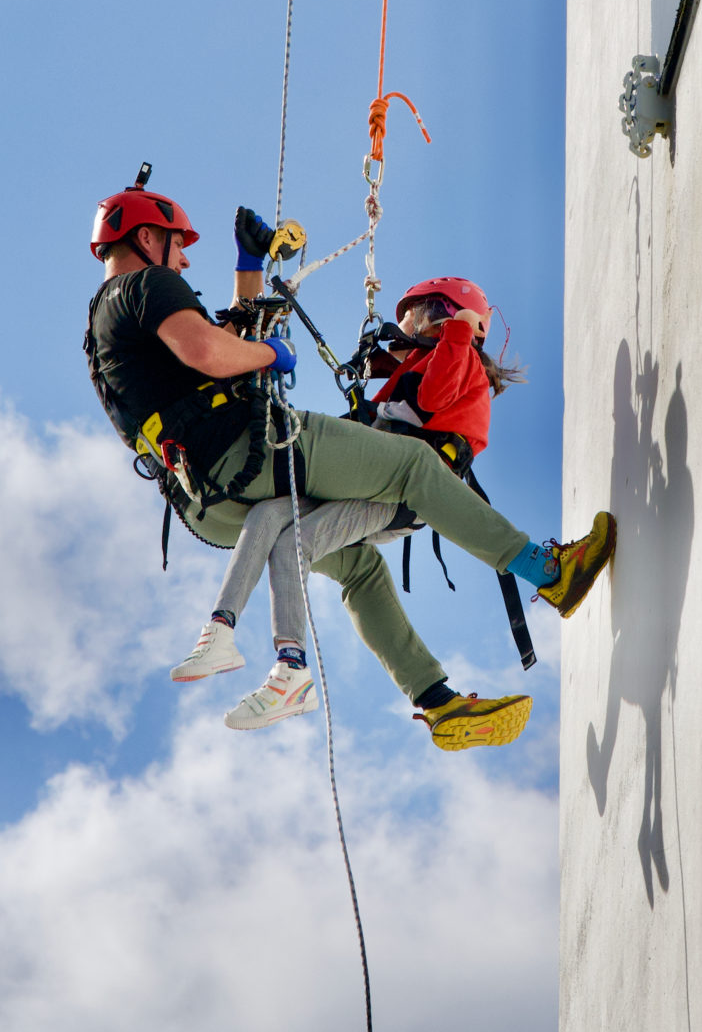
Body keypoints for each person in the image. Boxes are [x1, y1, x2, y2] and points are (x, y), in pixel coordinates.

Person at [84, 177, 616, 751]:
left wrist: (249, 266)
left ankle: (435, 702)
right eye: (177, 243)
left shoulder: (105, 327)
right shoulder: (150, 284)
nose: (185, 258)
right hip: (246, 451)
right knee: (413, 464)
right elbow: (217, 352)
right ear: (145, 237)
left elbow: (228, 337)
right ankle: (546, 570)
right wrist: (273, 353)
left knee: (358, 568)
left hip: (204, 500)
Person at [171, 270, 530, 733]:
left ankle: (290, 669)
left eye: (419, 315)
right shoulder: (413, 370)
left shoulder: (461, 362)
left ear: (444, 317)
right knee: (267, 514)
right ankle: (221, 628)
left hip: (400, 490)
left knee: (293, 543)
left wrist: (460, 329)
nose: (408, 327)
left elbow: (435, 395)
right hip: (374, 482)